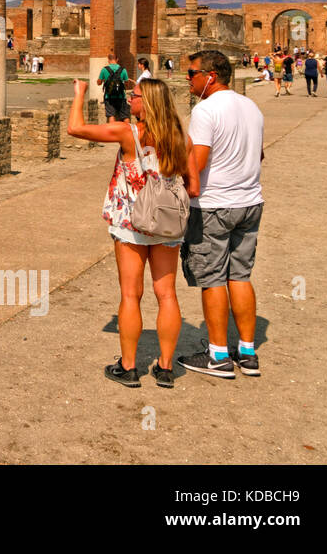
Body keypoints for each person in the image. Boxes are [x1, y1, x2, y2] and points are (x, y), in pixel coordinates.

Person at [67, 76, 194, 388]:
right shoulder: (181, 137)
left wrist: (80, 92)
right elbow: (191, 184)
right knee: (166, 294)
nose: (130, 100)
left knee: (130, 294)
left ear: (146, 103)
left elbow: (75, 128)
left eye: (135, 96)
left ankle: (129, 366)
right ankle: (165, 368)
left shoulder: (128, 132)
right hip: (166, 223)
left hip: (132, 223)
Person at [178, 51, 264, 380]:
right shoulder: (251, 107)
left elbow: (196, 163)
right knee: (240, 275)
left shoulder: (206, 110)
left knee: (212, 277)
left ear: (210, 76)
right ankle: (246, 350)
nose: (189, 79)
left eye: (192, 73)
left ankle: (216, 356)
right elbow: (258, 155)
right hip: (250, 202)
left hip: (214, 205)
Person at [97, 52, 130, 123]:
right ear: (117, 59)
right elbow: (127, 84)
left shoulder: (104, 70)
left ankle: (113, 132)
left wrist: (103, 80)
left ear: (108, 60)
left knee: (111, 115)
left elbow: (98, 83)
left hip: (109, 97)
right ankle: (128, 132)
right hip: (121, 97)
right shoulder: (123, 69)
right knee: (125, 116)